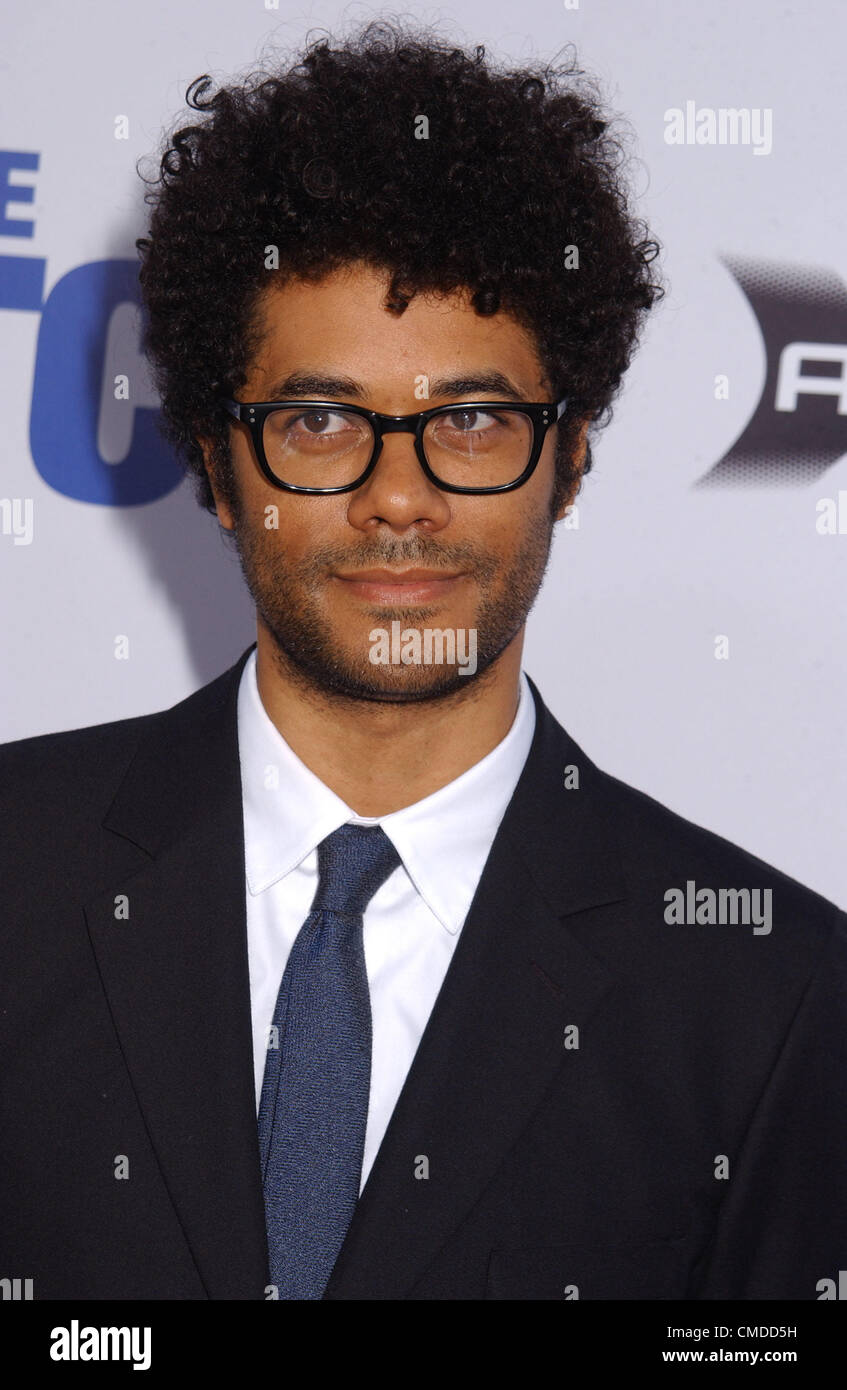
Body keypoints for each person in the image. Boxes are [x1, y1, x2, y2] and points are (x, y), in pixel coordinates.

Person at [1, 20, 845, 1302]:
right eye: (322, 420)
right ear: (218, 468)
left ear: (569, 461)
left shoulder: (766, 997)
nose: (400, 497)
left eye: (469, 420)